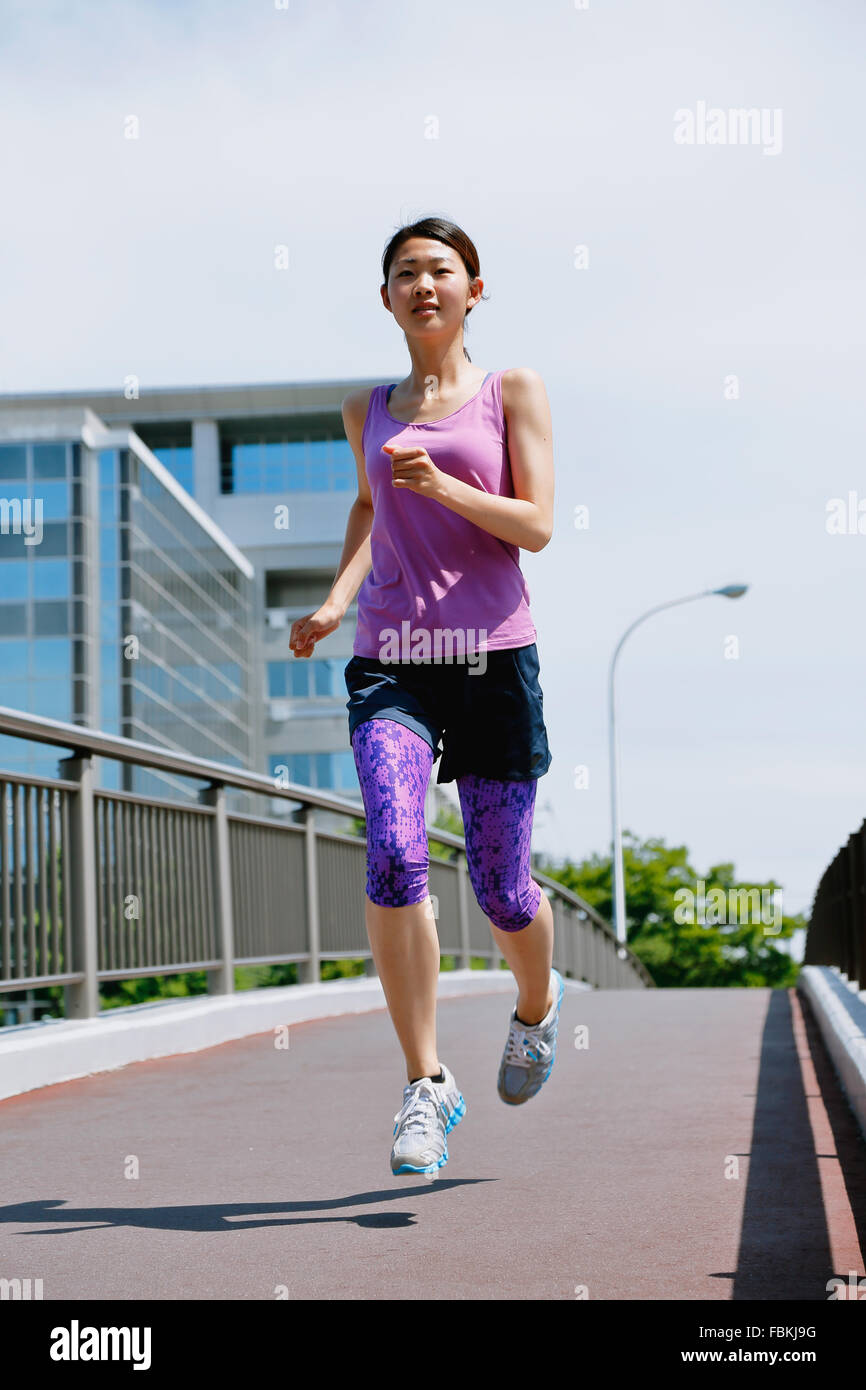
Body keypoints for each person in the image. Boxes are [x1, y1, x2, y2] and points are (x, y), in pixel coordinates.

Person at [289, 216, 563, 1177]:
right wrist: (333, 603)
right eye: (405, 273)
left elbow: (535, 526)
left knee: (500, 886)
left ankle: (535, 1010)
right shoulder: (367, 409)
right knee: (396, 849)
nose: (424, 285)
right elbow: (373, 505)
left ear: (474, 289)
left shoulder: (509, 391)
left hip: (493, 657)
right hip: (393, 657)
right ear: (386, 298)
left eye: (441, 271)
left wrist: (444, 487)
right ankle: (426, 1082)